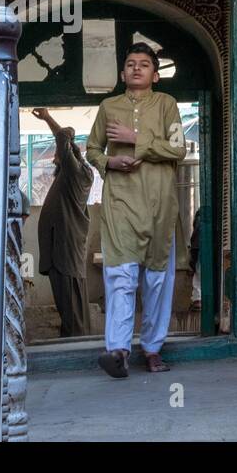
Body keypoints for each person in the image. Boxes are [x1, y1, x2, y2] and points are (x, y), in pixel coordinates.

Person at [86, 42, 187, 378]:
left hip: (160, 205)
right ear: (122, 73)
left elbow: (177, 149)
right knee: (120, 277)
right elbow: (91, 149)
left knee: (158, 280)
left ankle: (153, 348)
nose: (137, 69)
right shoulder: (108, 106)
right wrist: (109, 160)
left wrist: (135, 137)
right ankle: (118, 350)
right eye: (130, 64)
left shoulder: (167, 105)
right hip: (121, 203)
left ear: (155, 75)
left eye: (144, 64)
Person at [32, 107, 94, 338]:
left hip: (65, 252)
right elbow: (69, 148)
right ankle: (73, 337)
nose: (55, 156)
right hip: (61, 252)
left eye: (60, 153)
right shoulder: (71, 174)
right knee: (68, 304)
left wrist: (49, 118)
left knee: (72, 305)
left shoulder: (77, 176)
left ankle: (76, 342)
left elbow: (63, 140)